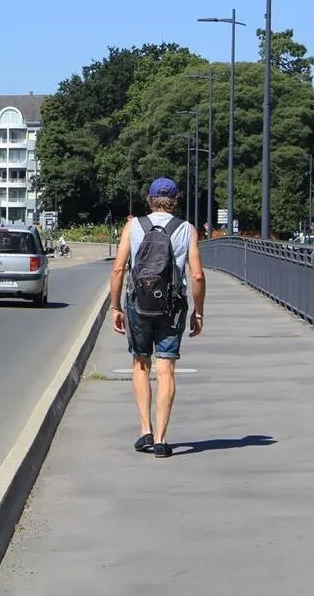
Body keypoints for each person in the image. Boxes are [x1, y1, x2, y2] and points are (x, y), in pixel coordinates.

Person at [109, 177, 206, 458]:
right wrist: (198, 312)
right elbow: (197, 275)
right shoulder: (186, 229)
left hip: (138, 304)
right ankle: (162, 440)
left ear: (150, 199)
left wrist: (116, 307)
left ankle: (145, 430)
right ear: (175, 200)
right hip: (172, 308)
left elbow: (117, 269)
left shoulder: (133, 226)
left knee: (141, 363)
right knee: (166, 370)